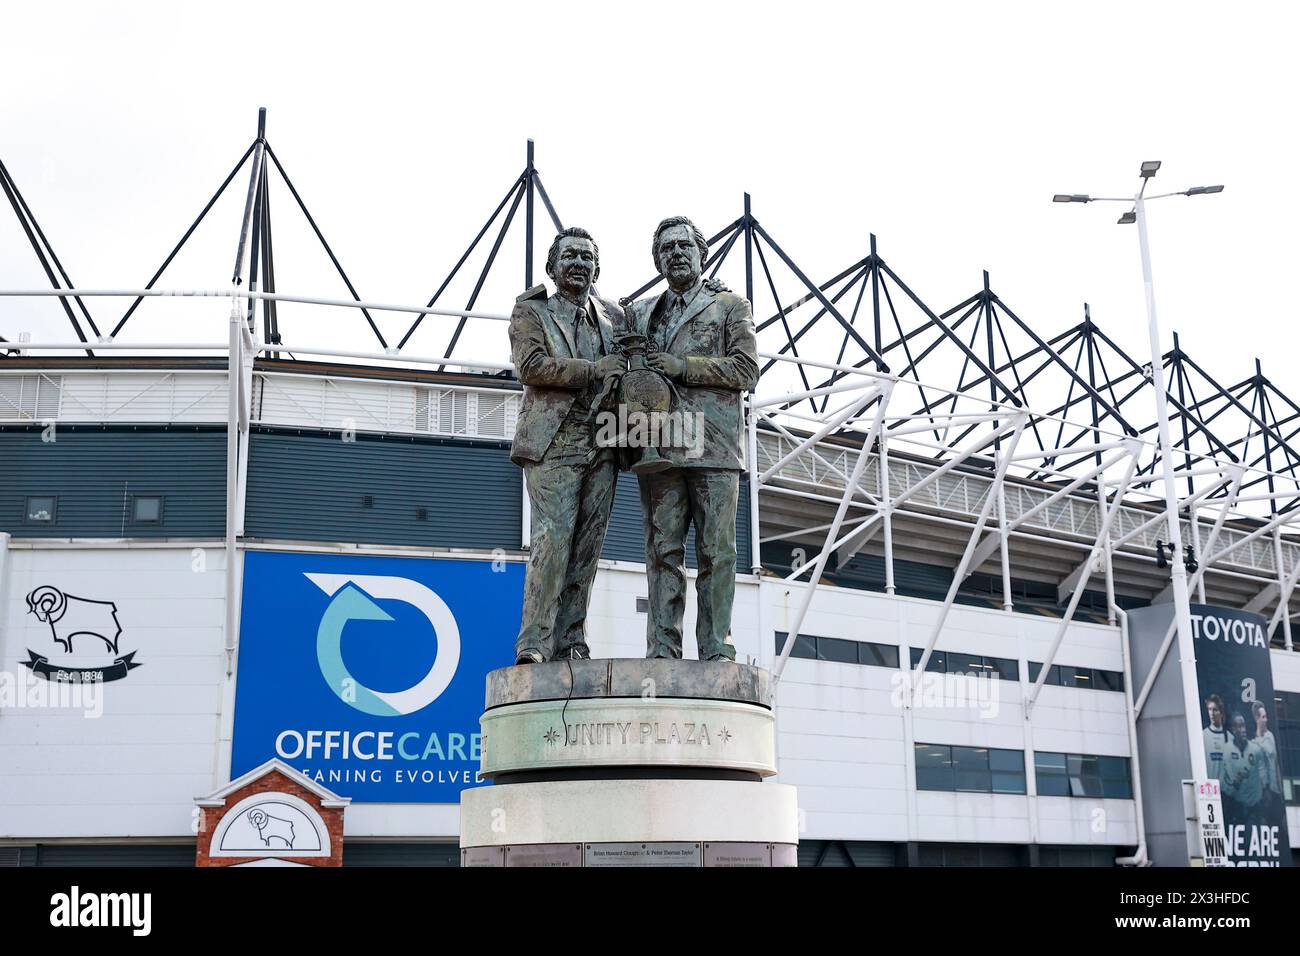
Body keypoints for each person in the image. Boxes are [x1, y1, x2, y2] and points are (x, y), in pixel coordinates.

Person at [623, 216, 759, 661]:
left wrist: (685, 367)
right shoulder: (641, 313)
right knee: (663, 551)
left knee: (717, 552)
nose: (676, 253)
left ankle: (717, 647)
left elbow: (746, 370)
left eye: (684, 245)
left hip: (715, 446)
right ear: (657, 259)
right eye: (667, 248)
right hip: (659, 446)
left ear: (702, 252)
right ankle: (662, 650)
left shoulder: (730, 306)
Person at [508, 227, 625, 664]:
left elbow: (658, 323)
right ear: (552, 266)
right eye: (569, 256)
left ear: (597, 268)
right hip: (554, 441)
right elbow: (532, 366)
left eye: (586, 257)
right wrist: (595, 370)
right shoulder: (530, 310)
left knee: (586, 546)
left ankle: (571, 641)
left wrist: (712, 285)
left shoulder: (616, 316)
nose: (578, 263)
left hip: (605, 442)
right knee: (553, 539)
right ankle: (534, 644)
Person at [1203, 693, 1231, 782]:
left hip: (1226, 792)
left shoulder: (1230, 738)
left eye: (1215, 710)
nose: (1212, 713)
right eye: (1209, 709)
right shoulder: (1203, 736)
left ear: (1221, 712)